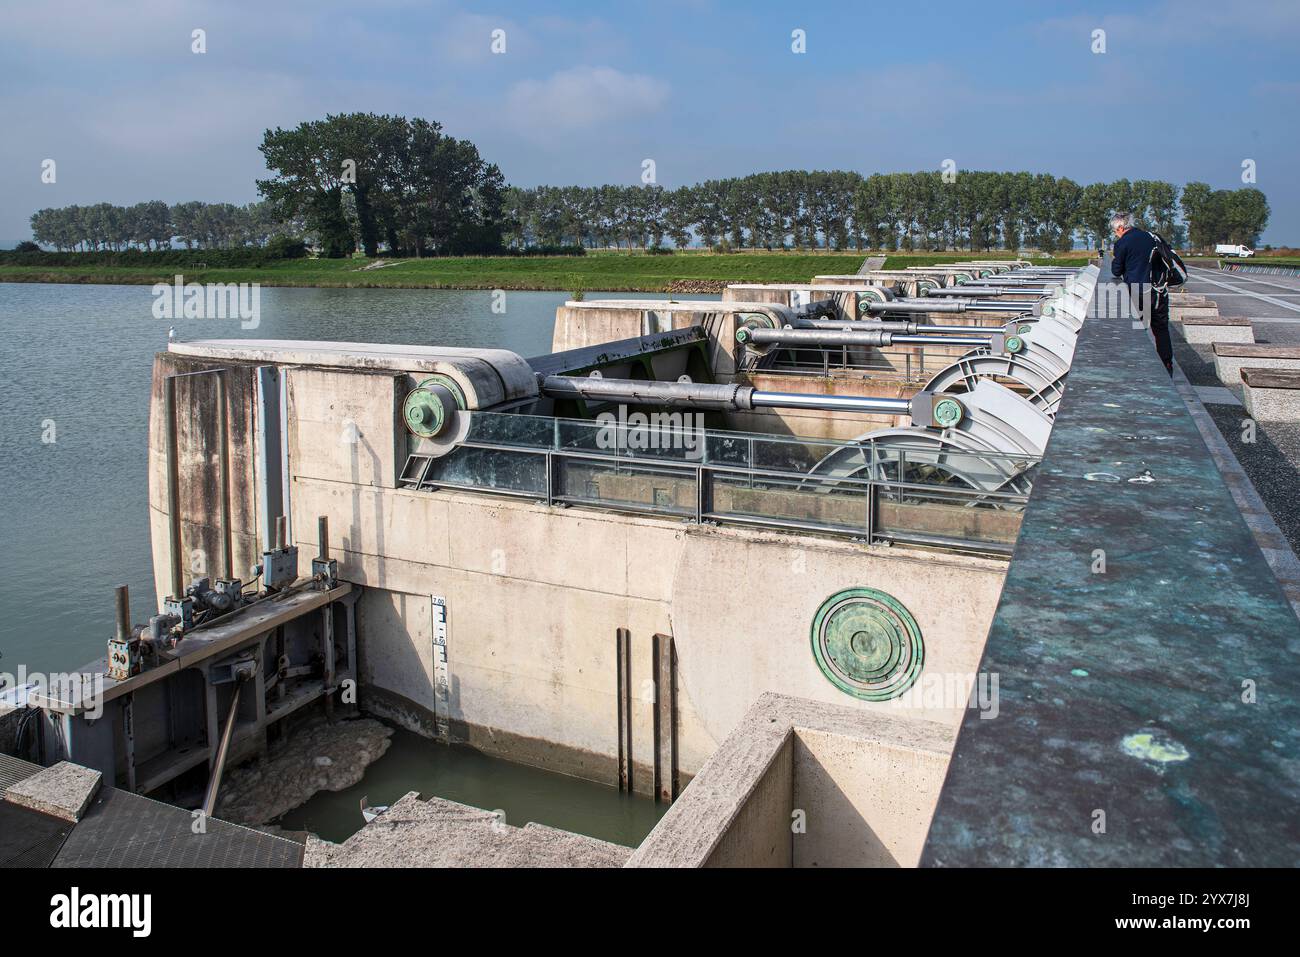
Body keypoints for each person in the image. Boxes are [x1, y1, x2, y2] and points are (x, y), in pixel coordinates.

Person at [1110, 211, 1173, 375]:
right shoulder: (1152, 236)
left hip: (1139, 291)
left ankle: (1140, 368)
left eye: (1115, 231)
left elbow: (1116, 270)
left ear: (1121, 227)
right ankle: (1166, 365)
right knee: (1161, 329)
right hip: (1159, 291)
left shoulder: (1123, 243)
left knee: (1139, 330)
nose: (1116, 235)